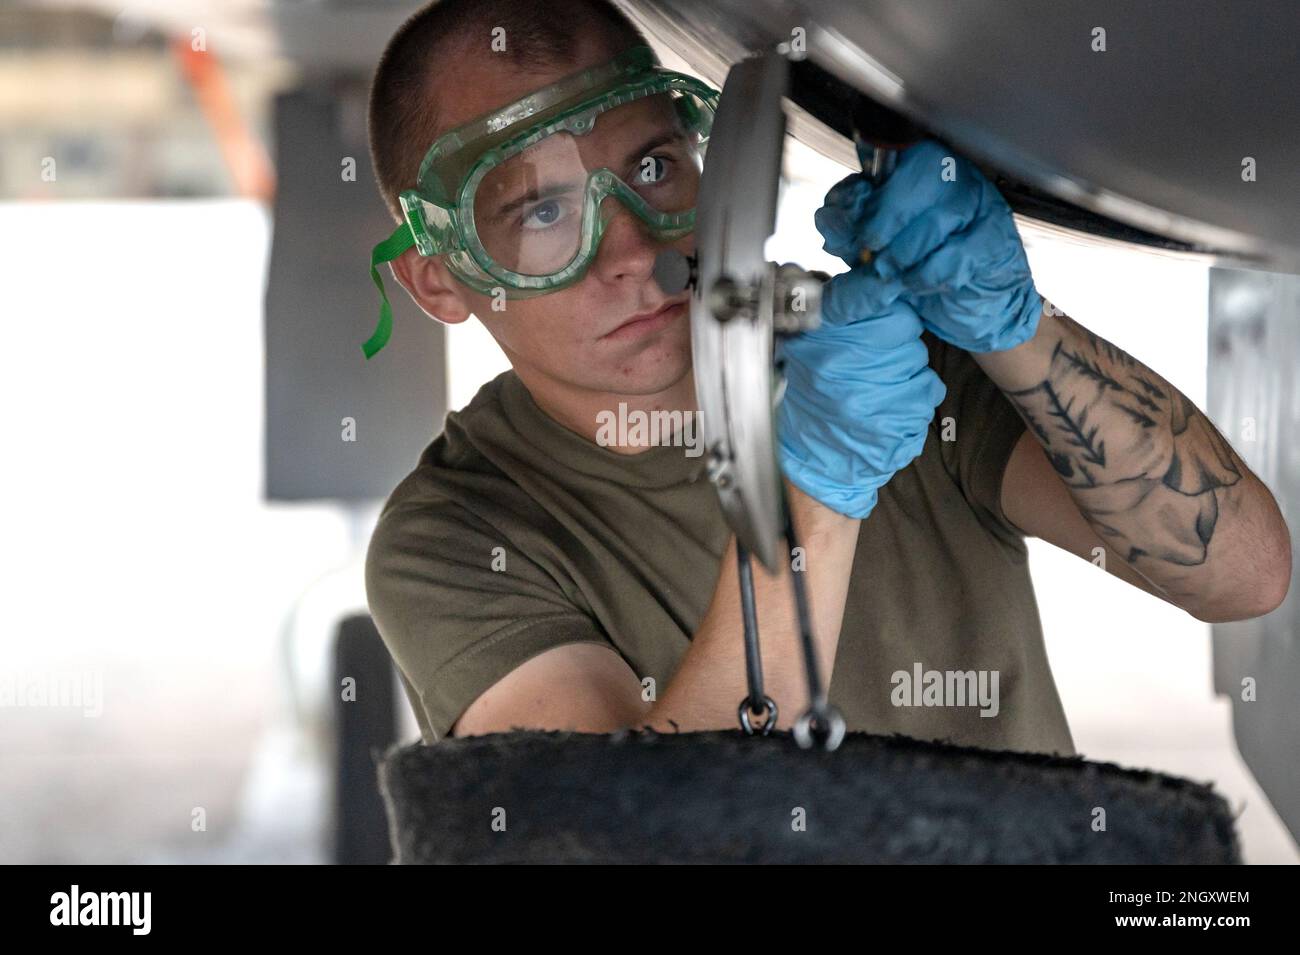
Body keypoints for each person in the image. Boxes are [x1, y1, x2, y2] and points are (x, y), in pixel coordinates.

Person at [361, 0, 1290, 755]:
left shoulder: (890, 359)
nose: (633, 247)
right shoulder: (456, 537)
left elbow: (1244, 575)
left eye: (653, 166)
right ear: (440, 278)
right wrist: (815, 491)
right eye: (544, 212)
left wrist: (1016, 328)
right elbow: (639, 839)